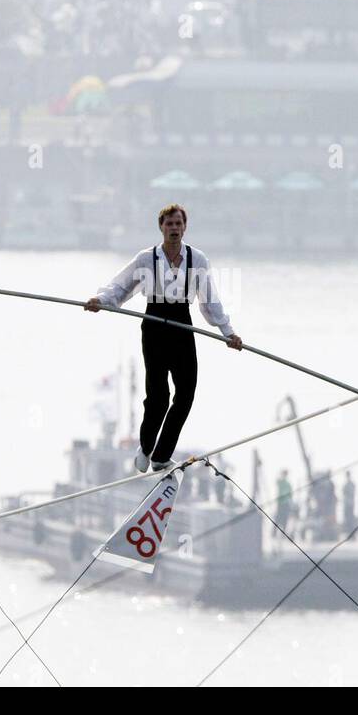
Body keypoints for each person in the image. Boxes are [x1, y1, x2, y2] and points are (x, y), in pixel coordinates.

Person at [86, 203, 242, 471]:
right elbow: (122, 285)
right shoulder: (147, 258)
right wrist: (101, 300)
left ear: (185, 227)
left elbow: (209, 301)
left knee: (185, 394)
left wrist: (228, 332)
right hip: (155, 324)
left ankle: (161, 455)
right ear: (161, 227)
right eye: (169, 224)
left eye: (178, 224)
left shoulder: (198, 260)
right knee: (157, 395)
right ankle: (146, 447)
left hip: (182, 324)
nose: (174, 229)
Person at [274, 468, 293, 536]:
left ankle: (283, 533)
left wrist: (291, 504)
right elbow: (276, 480)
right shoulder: (280, 482)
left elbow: (290, 495)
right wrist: (279, 473)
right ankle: (274, 533)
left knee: (285, 518)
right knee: (278, 518)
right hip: (280, 503)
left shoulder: (288, 484)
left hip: (286, 504)